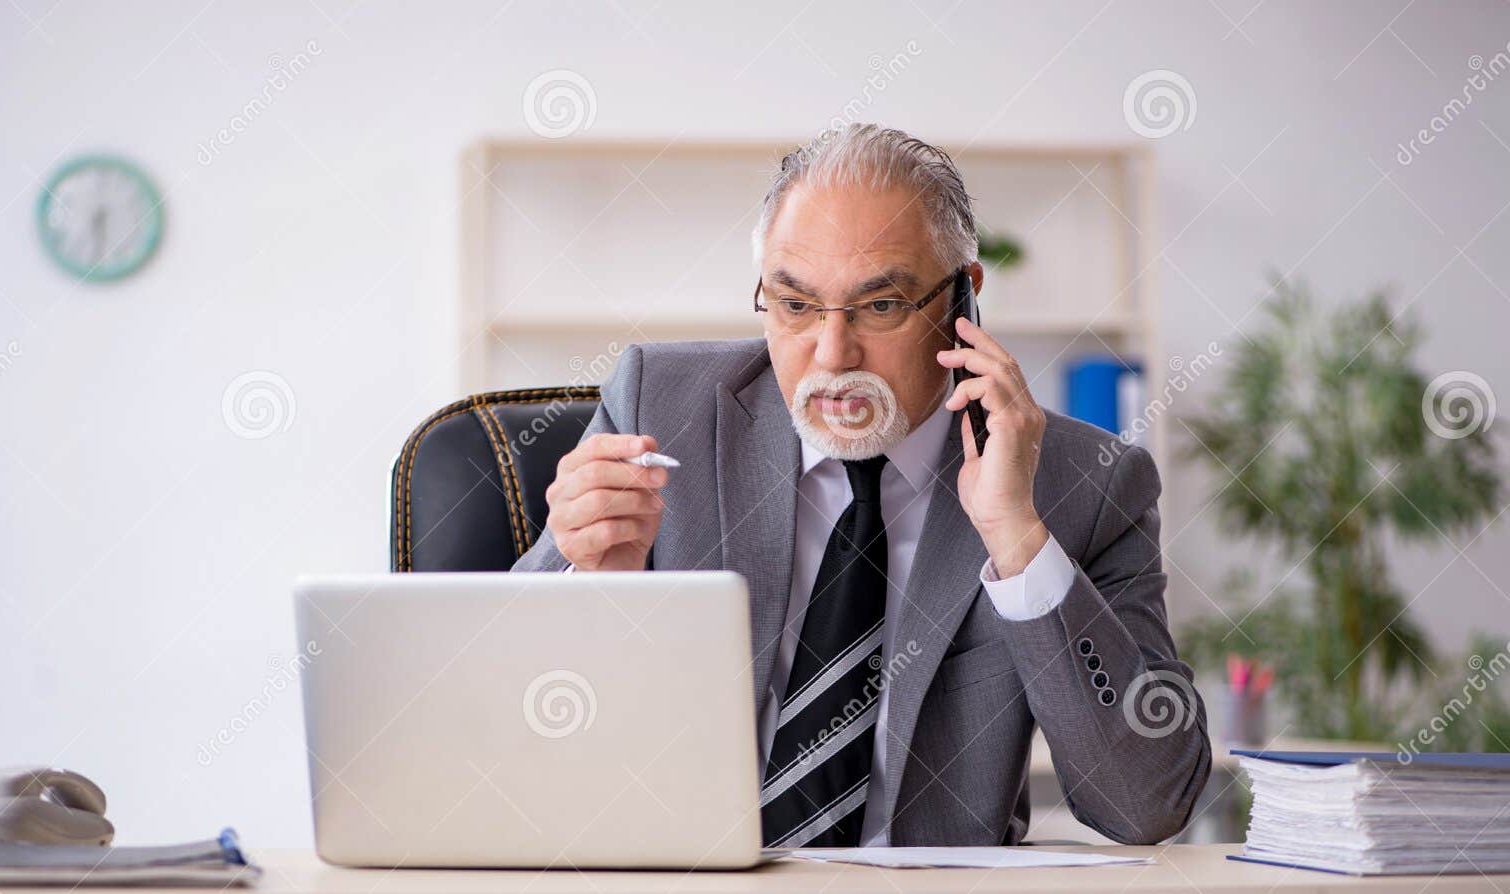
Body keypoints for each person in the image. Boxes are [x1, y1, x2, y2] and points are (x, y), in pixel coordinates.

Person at [513, 124, 1210, 848]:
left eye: (880, 307)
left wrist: (1018, 541)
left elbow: (1146, 801)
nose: (833, 353)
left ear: (963, 300)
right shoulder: (662, 408)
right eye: (794, 305)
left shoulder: (1086, 485)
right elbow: (500, 740)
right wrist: (582, 583)